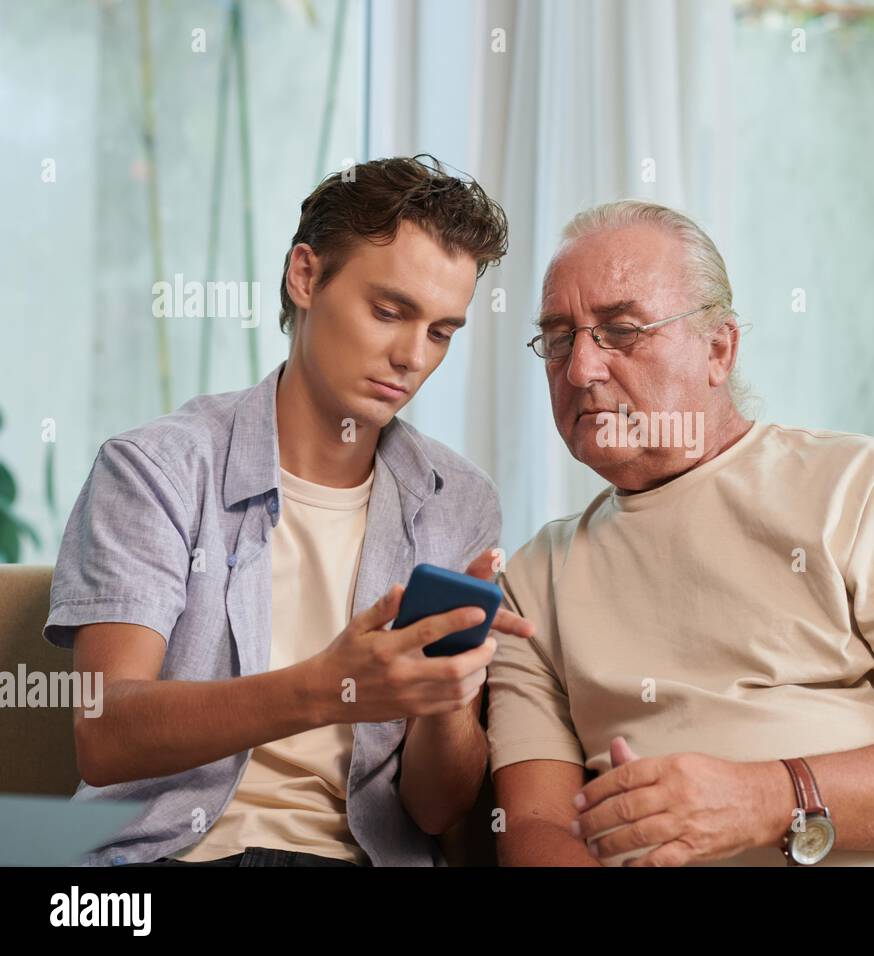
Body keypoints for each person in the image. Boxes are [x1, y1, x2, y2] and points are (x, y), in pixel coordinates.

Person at [486, 200, 874, 867]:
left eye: (622, 330)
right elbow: (536, 827)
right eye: (559, 338)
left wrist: (764, 799)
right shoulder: (531, 580)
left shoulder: (864, 485)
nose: (581, 368)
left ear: (718, 349)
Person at [44, 155, 533, 867]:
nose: (411, 357)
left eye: (441, 332)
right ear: (304, 276)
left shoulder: (457, 501)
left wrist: (447, 691)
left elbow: (436, 808)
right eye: (389, 311)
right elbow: (106, 730)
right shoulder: (157, 469)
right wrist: (329, 686)